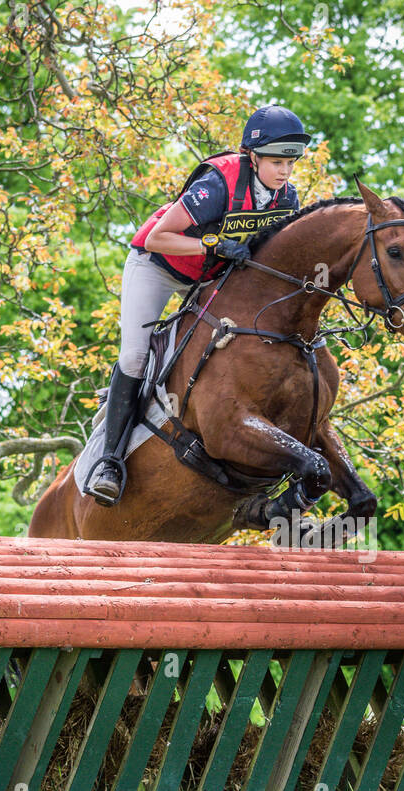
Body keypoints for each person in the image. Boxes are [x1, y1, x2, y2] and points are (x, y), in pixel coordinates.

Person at [84, 105, 312, 505]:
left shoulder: (286, 199)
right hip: (158, 266)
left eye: (290, 163)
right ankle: (109, 462)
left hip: (209, 278)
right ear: (252, 157)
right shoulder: (218, 184)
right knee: (137, 356)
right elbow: (158, 238)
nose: (284, 172)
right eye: (276, 162)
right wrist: (211, 242)